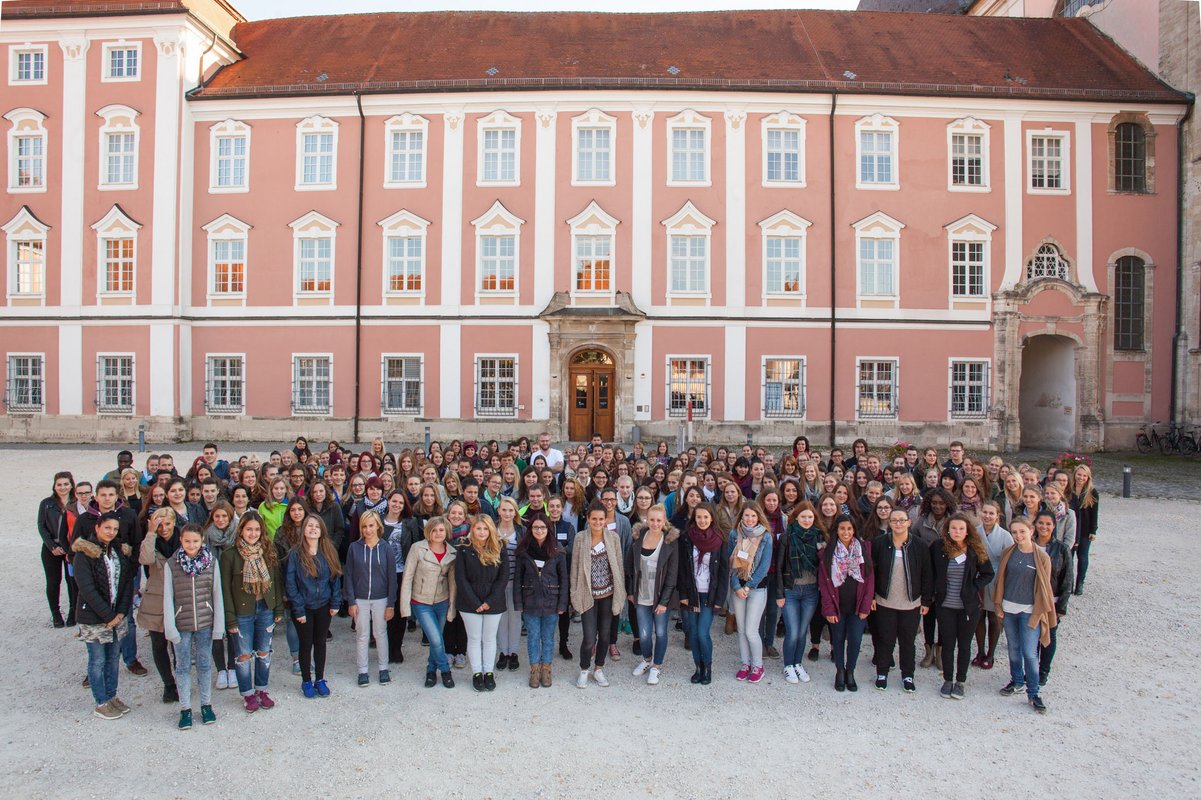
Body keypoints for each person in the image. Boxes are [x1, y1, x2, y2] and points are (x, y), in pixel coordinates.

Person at [73, 511, 135, 720]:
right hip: (94, 617)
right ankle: (101, 701)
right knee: (97, 660)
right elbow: (87, 589)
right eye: (107, 527)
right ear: (97, 527)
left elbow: (127, 582)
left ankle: (111, 696)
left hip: (117, 615)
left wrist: (120, 612)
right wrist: (108, 615)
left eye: (115, 529)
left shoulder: (119, 551)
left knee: (112, 659)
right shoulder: (83, 553)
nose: (111, 532)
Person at [162, 523, 225, 729]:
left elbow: (217, 595)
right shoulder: (172, 564)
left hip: (205, 622)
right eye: (187, 541)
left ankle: (206, 704)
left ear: (202, 541)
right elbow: (168, 598)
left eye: (195, 541)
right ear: (181, 540)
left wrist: (219, 626)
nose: (191, 544)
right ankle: (185, 708)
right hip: (182, 623)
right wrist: (170, 628)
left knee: (205, 664)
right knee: (182, 666)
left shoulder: (211, 562)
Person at [220, 511, 283, 713]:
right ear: (241, 530)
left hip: (265, 608)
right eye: (249, 529)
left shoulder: (268, 551)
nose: (253, 533)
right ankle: (247, 694)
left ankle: (261, 690)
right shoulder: (230, 555)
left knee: (264, 652)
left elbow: (276, 582)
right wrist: (229, 618)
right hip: (242, 611)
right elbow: (225, 589)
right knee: (244, 654)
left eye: (257, 529)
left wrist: (278, 607)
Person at [994, 518, 1056, 714]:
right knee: (1013, 648)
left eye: (1022, 532)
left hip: (1029, 610)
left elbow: (1044, 588)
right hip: (1009, 607)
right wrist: (998, 604)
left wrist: (1038, 613)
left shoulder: (1041, 557)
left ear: (1031, 531)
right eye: (1014, 532)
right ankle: (1017, 680)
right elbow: (1001, 579)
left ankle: (1034, 691)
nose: (1018, 536)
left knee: (1029, 653)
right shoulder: (1008, 553)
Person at [931, 513, 995, 700]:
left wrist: (973, 586)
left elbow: (988, 573)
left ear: (967, 531)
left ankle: (960, 682)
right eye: (953, 528)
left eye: (961, 528)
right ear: (948, 530)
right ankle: (948, 680)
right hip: (945, 605)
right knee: (948, 644)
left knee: (964, 645)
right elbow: (931, 571)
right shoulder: (939, 548)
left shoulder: (975, 550)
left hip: (968, 607)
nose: (957, 531)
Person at [871, 509, 933, 694]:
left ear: (908, 522)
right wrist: (872, 596)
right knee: (885, 639)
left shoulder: (919, 546)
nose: (898, 523)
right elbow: (871, 572)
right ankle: (882, 673)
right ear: (889, 523)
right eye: (894, 520)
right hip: (884, 600)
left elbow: (926, 574)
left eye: (902, 520)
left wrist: (926, 601)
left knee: (908, 641)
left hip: (910, 602)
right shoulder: (879, 543)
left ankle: (908, 675)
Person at [286, 515, 343, 699]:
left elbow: (335, 577)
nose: (313, 529)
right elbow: (291, 583)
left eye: (316, 526)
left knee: (320, 643)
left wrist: (335, 602)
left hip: (324, 606)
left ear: (321, 530)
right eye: (309, 526)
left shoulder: (328, 550)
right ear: (303, 529)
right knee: (305, 644)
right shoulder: (295, 553)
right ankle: (306, 680)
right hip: (304, 608)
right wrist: (298, 609)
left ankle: (320, 679)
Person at [570, 502, 626, 689]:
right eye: (594, 518)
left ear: (605, 520)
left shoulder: (613, 538)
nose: (597, 522)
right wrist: (574, 593)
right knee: (588, 638)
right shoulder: (580, 539)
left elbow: (618, 566)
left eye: (601, 519)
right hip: (588, 595)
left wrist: (621, 592)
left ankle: (599, 669)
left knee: (604, 636)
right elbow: (575, 569)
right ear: (588, 519)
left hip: (608, 594)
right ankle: (584, 669)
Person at [400, 515, 458, 689]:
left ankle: (431, 670)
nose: (438, 533)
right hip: (421, 601)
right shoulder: (417, 548)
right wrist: (405, 607)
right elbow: (408, 576)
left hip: (442, 601)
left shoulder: (452, 552)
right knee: (436, 639)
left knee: (436, 640)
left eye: (441, 530)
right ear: (428, 531)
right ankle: (446, 670)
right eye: (434, 530)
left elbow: (453, 583)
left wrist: (452, 608)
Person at [818, 515, 874, 692]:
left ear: (854, 530)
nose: (846, 532)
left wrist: (866, 606)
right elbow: (824, 584)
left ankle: (851, 671)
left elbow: (870, 579)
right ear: (836, 530)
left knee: (856, 640)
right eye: (842, 528)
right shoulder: (828, 552)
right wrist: (828, 609)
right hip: (837, 605)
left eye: (849, 529)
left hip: (857, 606)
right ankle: (840, 671)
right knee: (838, 639)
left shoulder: (863, 549)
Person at [625, 505, 679, 686]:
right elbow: (630, 567)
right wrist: (630, 592)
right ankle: (647, 659)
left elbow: (672, 575)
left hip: (660, 597)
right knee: (645, 633)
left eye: (659, 520)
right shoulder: (638, 537)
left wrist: (664, 602)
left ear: (664, 521)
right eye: (652, 520)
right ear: (646, 520)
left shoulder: (670, 542)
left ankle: (656, 666)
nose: (655, 523)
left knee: (661, 632)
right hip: (641, 595)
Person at [454, 515, 509, 692]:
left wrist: (489, 601)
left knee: (489, 638)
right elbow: (460, 578)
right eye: (478, 528)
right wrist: (475, 602)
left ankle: (488, 672)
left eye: (485, 528)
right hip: (469, 602)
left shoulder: (500, 547)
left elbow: (504, 577)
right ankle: (477, 672)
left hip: (494, 601)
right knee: (474, 638)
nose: (482, 532)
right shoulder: (464, 548)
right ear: (472, 529)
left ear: (491, 529)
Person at [513, 516, 569, 688]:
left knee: (548, 637)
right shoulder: (524, 550)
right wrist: (519, 603)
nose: (539, 531)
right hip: (530, 600)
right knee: (533, 637)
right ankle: (534, 669)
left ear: (548, 529)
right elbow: (517, 579)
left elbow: (564, 579)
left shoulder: (557, 550)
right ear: (530, 529)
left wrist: (562, 604)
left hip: (551, 600)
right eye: (535, 527)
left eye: (543, 527)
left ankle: (546, 669)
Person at [347, 510, 398, 688]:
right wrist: (351, 601)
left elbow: (392, 578)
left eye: (371, 525)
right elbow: (348, 576)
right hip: (360, 599)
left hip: (381, 598)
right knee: (362, 635)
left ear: (378, 526)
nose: (368, 530)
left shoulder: (386, 548)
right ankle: (363, 670)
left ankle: (383, 668)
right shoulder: (354, 547)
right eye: (364, 526)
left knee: (380, 633)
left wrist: (391, 604)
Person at [776, 500, 822, 684]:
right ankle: (788, 665)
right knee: (793, 631)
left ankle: (797, 663)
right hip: (791, 590)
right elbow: (779, 566)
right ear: (796, 517)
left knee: (803, 632)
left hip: (811, 590)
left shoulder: (819, 536)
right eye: (803, 516)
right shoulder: (787, 536)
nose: (807, 520)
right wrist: (779, 593)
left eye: (810, 517)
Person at [138, 506, 181, 703]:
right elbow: (145, 559)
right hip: (156, 597)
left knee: (179, 644)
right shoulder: (151, 540)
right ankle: (168, 684)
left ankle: (181, 678)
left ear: (174, 523)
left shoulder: (183, 539)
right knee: (158, 644)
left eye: (167, 524)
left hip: (180, 597)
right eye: (159, 524)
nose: (164, 528)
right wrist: (150, 533)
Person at [726, 504, 773, 683]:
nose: (750, 519)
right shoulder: (734, 535)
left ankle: (757, 665)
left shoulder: (765, 537)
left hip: (757, 587)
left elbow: (764, 567)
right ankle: (745, 664)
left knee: (751, 630)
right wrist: (737, 586)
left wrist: (748, 587)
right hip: (737, 586)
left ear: (758, 517)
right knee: (741, 630)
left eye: (753, 516)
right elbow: (730, 562)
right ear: (742, 517)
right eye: (747, 516)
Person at [1033, 510, 1074, 689]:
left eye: (1048, 524)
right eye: (1041, 523)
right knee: (1031, 636)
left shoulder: (1062, 548)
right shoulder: (1028, 544)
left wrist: (1062, 606)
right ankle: (1032, 668)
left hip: (1052, 598)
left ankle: (1044, 670)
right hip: (1030, 598)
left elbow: (1068, 578)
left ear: (1054, 526)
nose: (1044, 527)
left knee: (1049, 635)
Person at [38, 471, 77, 627]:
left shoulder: (76, 502)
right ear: (54, 486)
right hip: (51, 548)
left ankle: (73, 612)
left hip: (70, 548)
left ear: (71, 485)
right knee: (53, 582)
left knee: (72, 581)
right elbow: (41, 525)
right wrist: (52, 546)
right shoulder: (47, 503)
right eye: (59, 484)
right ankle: (56, 614)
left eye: (66, 484)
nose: (62, 487)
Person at [494, 496, 525, 671]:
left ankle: (513, 652)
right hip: (497, 583)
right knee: (500, 618)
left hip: (516, 581)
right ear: (499, 511)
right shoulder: (492, 530)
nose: (507, 513)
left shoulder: (521, 531)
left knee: (514, 618)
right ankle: (503, 652)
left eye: (510, 510)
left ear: (515, 512)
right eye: (504, 509)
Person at [1070, 465, 1099, 595]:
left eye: (1084, 475)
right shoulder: (1069, 490)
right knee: (1069, 556)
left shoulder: (1092, 492)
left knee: (1082, 556)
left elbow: (1094, 514)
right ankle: (1068, 582)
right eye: (1079, 474)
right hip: (1071, 528)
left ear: (1088, 477)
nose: (1081, 477)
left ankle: (1080, 582)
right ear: (1075, 475)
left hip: (1085, 529)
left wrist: (1093, 531)